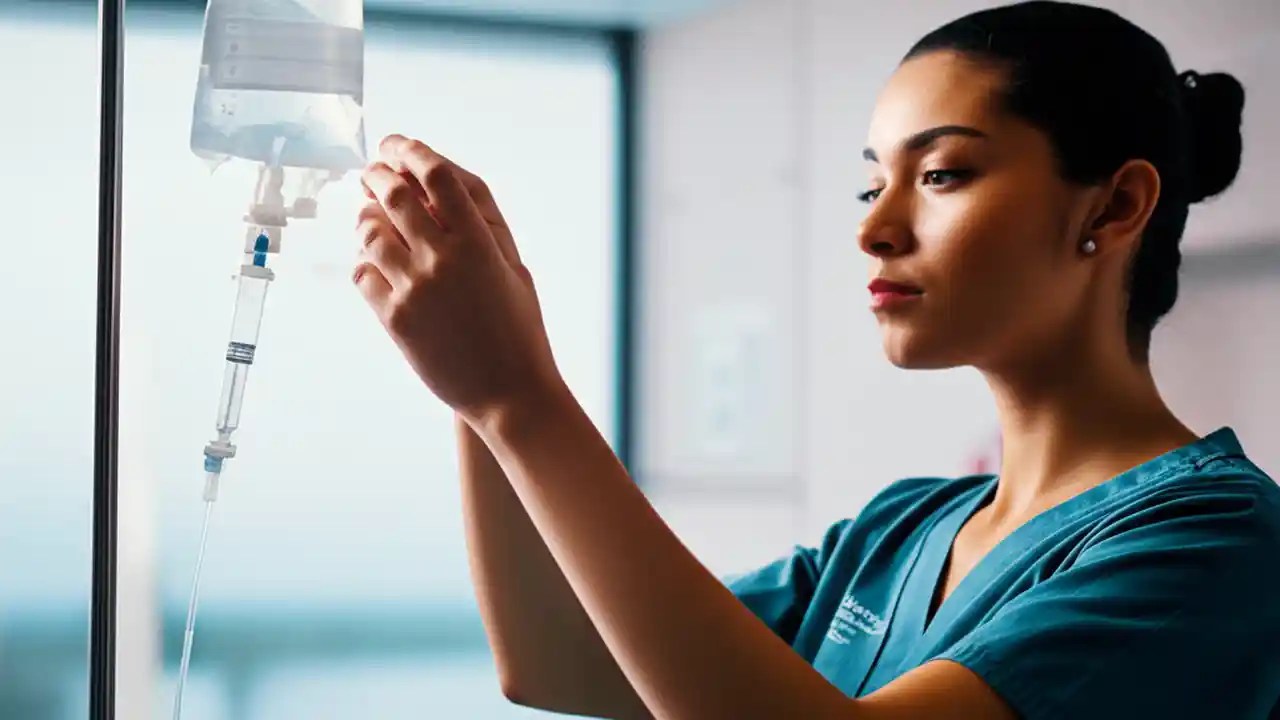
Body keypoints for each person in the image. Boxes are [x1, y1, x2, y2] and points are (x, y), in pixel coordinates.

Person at [352, 1, 1280, 717]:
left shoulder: (1215, 543)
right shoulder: (901, 529)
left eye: (942, 173)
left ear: (1115, 208)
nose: (875, 228)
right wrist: (476, 386)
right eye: (871, 182)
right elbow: (558, 658)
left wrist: (519, 394)